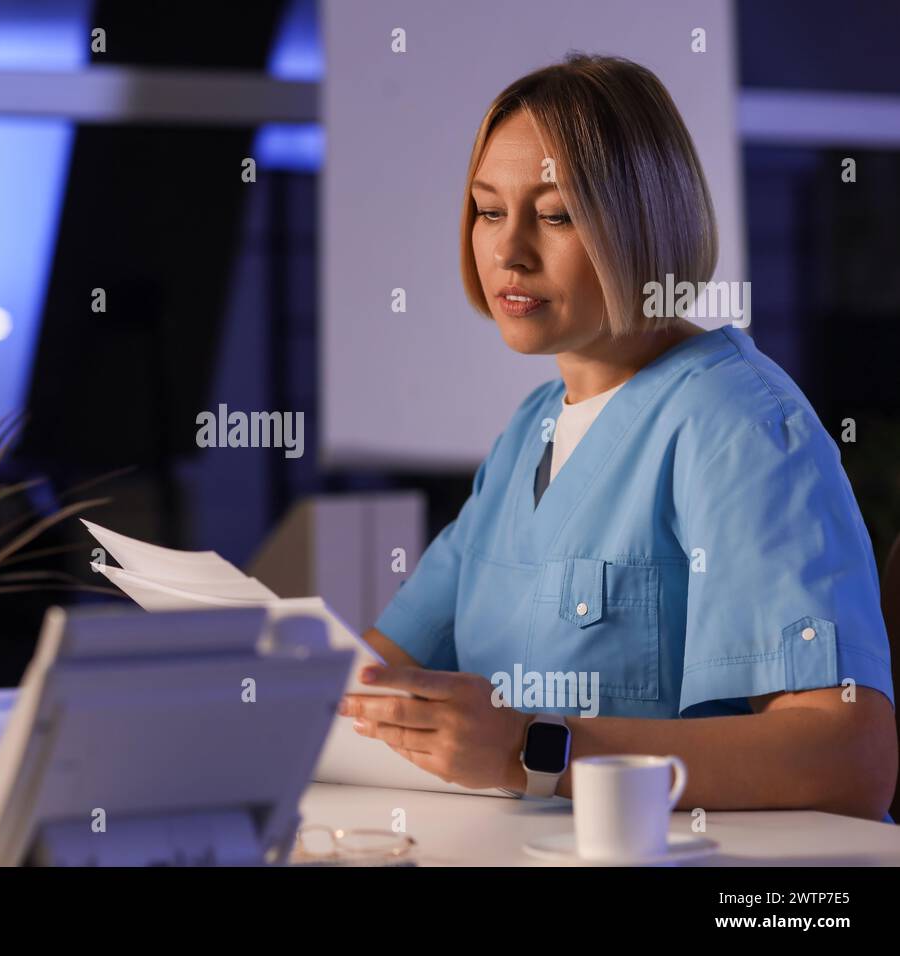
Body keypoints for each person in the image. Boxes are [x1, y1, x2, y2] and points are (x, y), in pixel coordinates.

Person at [338, 54, 897, 820]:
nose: (509, 250)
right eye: (489, 210)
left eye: (556, 213)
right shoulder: (528, 435)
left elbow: (850, 758)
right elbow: (379, 677)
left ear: (645, 221)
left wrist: (530, 749)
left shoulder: (738, 425)